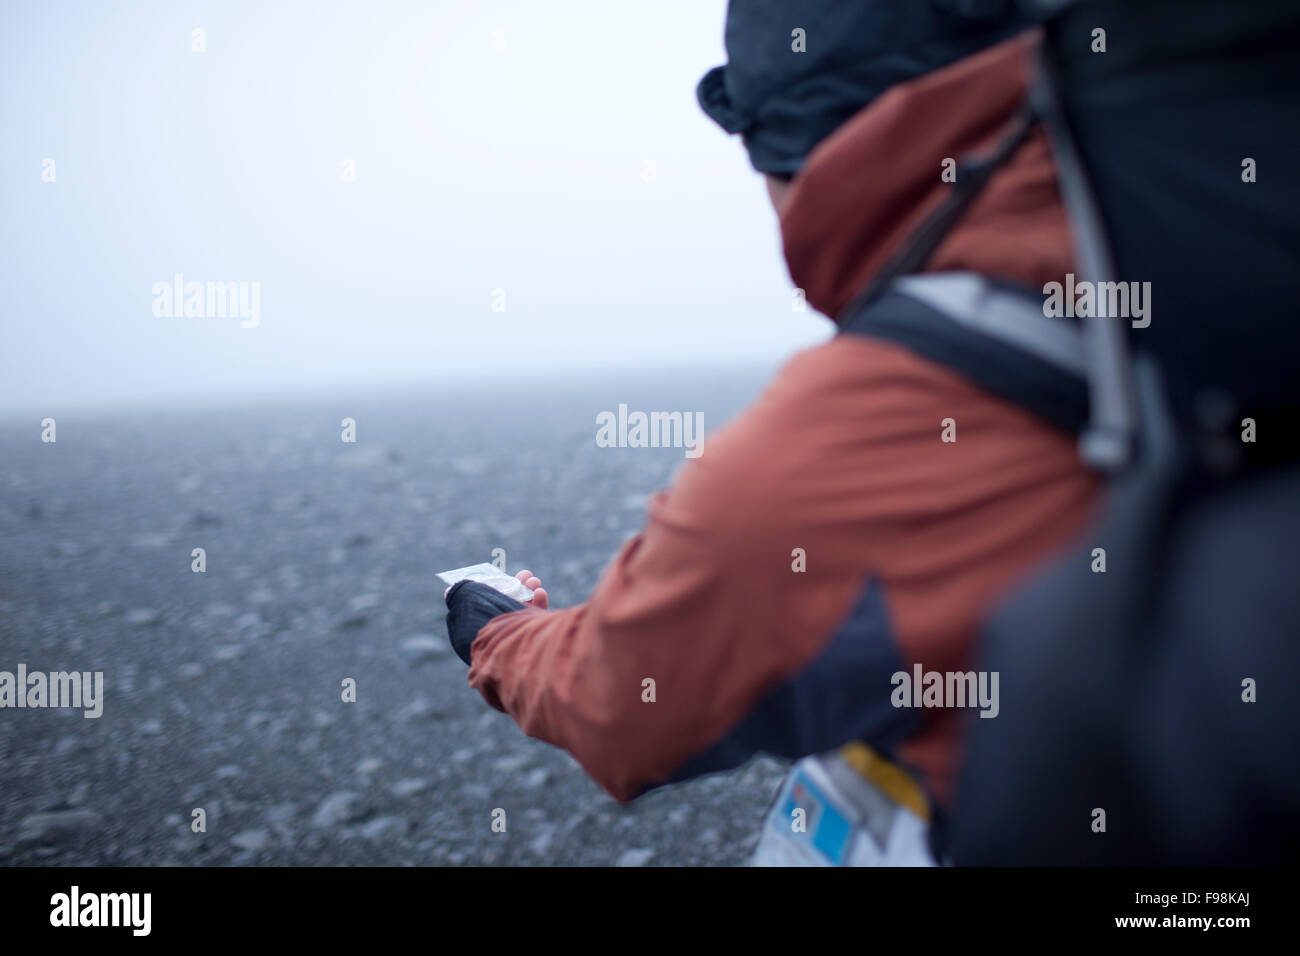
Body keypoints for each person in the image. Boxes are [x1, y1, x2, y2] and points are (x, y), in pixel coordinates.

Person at [443, 0, 1100, 863]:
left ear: (794, 149)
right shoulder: (1204, 268)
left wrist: (496, 632)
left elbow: (621, 704)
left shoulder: (844, 444)